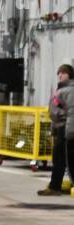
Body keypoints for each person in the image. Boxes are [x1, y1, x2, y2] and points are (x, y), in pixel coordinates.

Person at [39, 63, 74, 196]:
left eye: (63, 73)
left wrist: (69, 132)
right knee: (61, 158)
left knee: (63, 159)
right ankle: (56, 185)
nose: (60, 75)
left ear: (69, 75)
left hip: (67, 129)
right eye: (59, 73)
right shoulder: (63, 89)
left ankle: (55, 186)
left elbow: (72, 112)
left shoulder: (70, 90)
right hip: (62, 128)